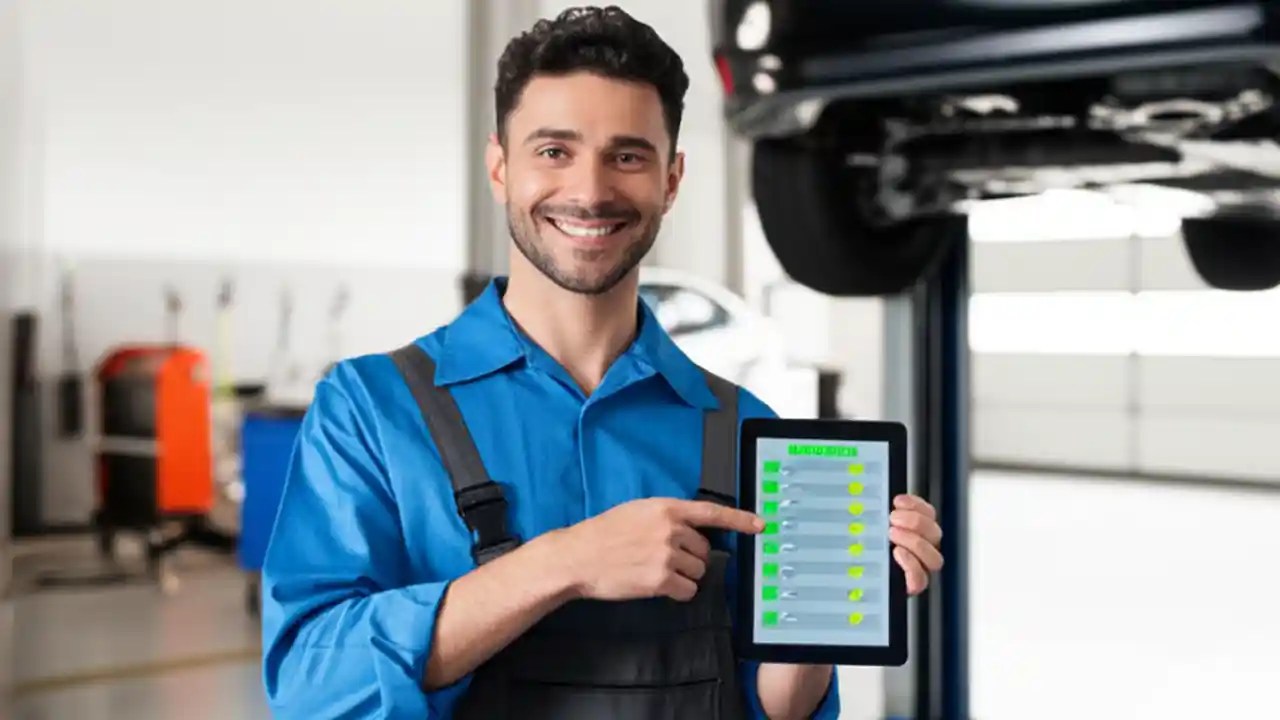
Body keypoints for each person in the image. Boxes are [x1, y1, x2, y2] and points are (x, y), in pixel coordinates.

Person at [260, 6, 945, 719]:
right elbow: (311, 687)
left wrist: (829, 603)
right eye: (554, 151)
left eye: (627, 155)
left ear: (671, 179)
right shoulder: (372, 408)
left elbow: (772, 706)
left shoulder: (743, 426)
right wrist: (565, 564)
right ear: (501, 168)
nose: (589, 191)